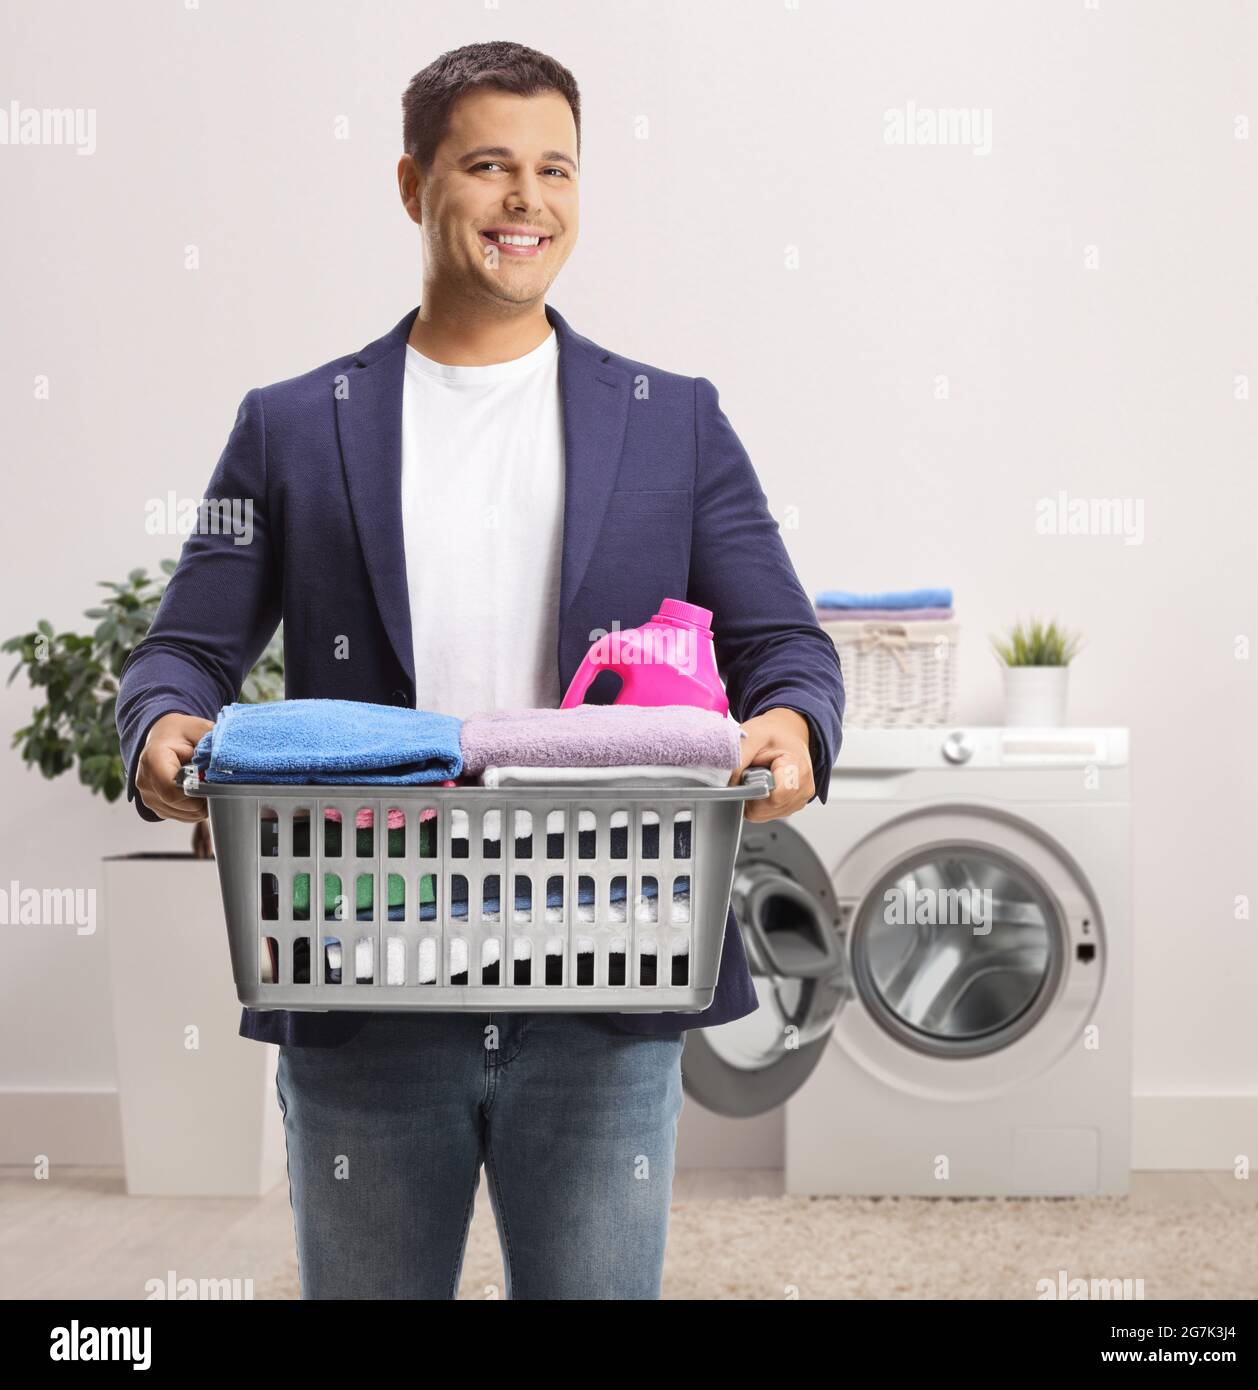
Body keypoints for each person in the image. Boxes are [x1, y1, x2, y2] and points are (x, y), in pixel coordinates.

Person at [117, 40, 844, 1300]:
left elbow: (783, 642)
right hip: (358, 966)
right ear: (414, 184)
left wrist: (791, 723)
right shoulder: (292, 425)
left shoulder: (670, 419)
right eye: (489, 166)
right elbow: (186, 645)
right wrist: (161, 731)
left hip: (608, 963)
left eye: (554, 168)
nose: (527, 201)